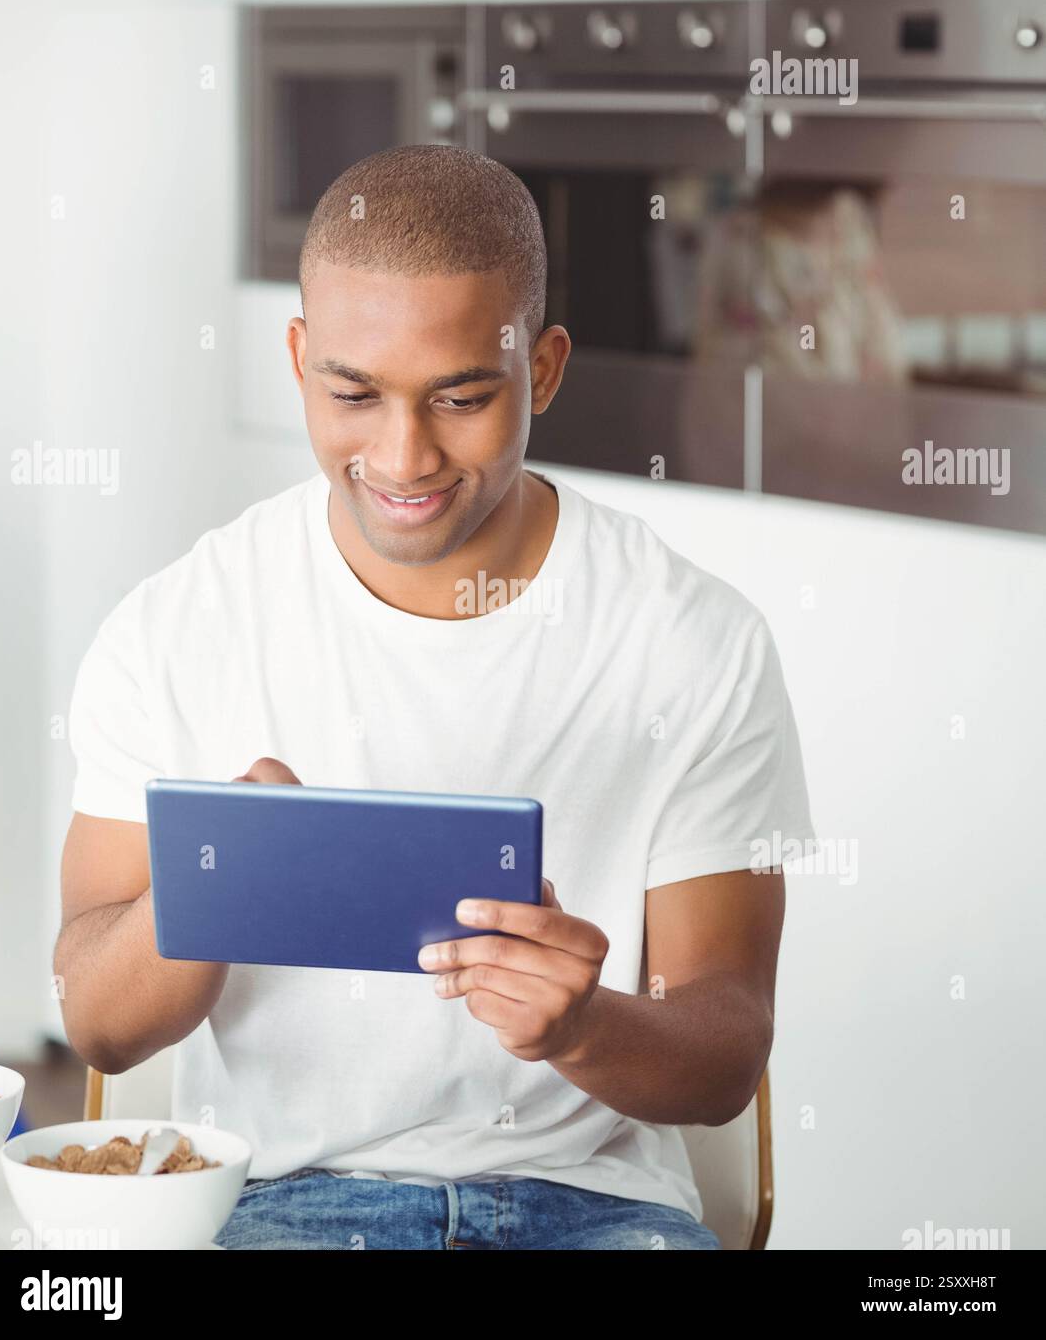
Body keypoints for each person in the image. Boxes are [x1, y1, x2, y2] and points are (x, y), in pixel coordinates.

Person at [56, 144, 813, 1250]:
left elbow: (725, 1049)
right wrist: (212, 880)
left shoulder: (693, 639)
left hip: (596, 1210)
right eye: (354, 393)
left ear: (543, 370)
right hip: (289, 1201)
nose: (403, 456)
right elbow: (98, 1026)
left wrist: (584, 1027)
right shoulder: (178, 626)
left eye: (461, 397)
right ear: (300, 358)